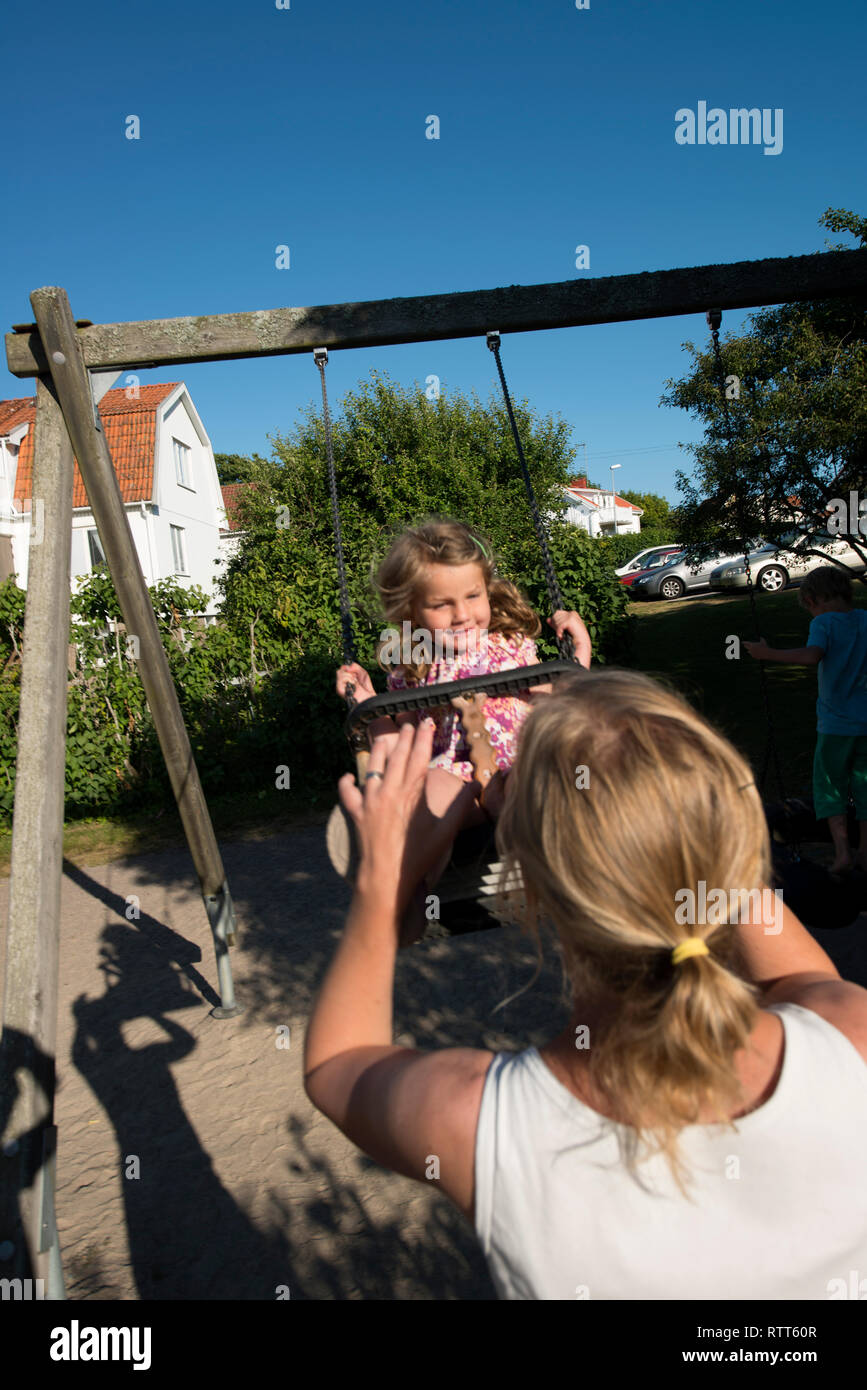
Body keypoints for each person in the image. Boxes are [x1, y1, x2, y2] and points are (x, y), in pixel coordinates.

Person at [304, 668, 867, 1299]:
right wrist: (681, 826)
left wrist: (383, 882)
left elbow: (335, 1065)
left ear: (527, 876)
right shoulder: (851, 1034)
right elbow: (796, 970)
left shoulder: (481, 1123)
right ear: (730, 841)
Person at [333, 518, 591, 924]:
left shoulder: (512, 646)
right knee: (420, 801)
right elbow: (399, 745)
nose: (462, 615)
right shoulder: (412, 668)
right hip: (455, 781)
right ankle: (405, 897)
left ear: (487, 590)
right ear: (412, 611)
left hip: (515, 768)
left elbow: (560, 706)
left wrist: (580, 652)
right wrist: (365, 702)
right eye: (441, 605)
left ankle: (569, 884)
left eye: (473, 596)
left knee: (547, 785)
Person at [744, 565, 867, 874]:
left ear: (812, 600)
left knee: (830, 786)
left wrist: (767, 654)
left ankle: (842, 853)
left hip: (836, 726)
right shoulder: (865, 618)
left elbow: (812, 656)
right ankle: (865, 852)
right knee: (864, 785)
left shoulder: (823, 622)